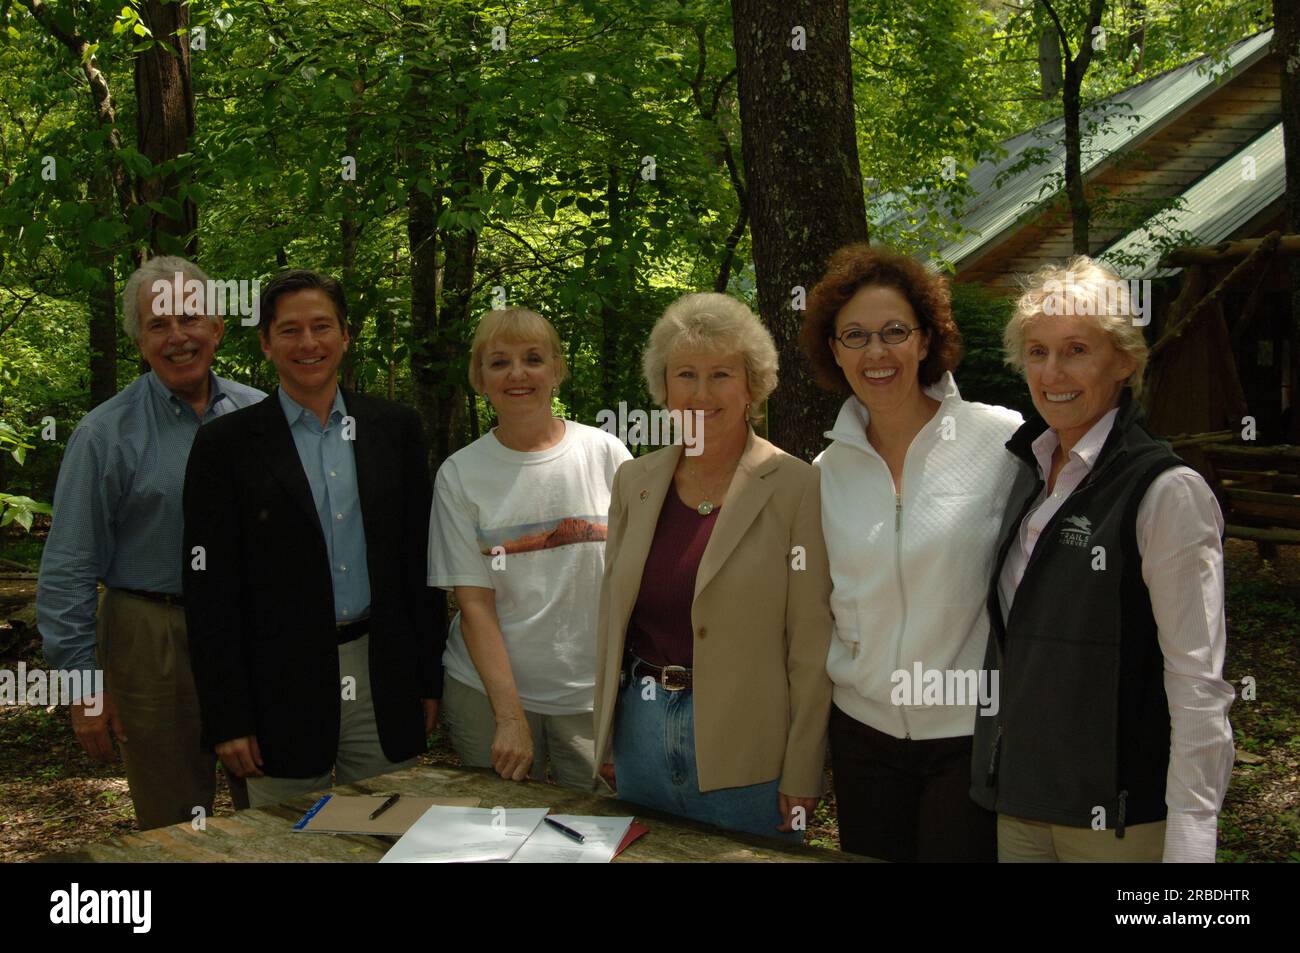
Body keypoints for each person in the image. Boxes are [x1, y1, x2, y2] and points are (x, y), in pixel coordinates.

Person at [970, 256, 1235, 863]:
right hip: (1023, 804)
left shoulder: (1165, 490)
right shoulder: (1029, 473)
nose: (1052, 372)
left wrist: (1192, 841)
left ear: (1124, 361)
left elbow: (1197, 681)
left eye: (1076, 350)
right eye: (1037, 352)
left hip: (1117, 821)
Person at [182, 269, 444, 807]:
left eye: (322, 327)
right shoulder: (226, 445)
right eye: (290, 330)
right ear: (266, 343)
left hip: (380, 673)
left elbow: (419, 565)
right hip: (276, 686)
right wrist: (228, 716)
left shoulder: (395, 429)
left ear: (345, 335)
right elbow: (210, 592)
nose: (308, 343)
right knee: (285, 840)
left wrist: (426, 679)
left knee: (384, 831)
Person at [801, 244, 1023, 862]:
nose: (876, 352)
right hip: (861, 735)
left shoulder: (1002, 441)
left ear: (926, 340)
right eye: (856, 336)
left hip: (967, 734)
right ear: (835, 351)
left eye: (895, 331)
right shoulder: (826, 470)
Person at [594, 292, 833, 841]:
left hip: (751, 753)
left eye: (721, 374)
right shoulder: (634, 481)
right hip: (641, 737)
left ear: (752, 385)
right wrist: (607, 736)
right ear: (664, 387)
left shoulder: (797, 486)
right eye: (686, 375)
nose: (702, 394)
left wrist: (803, 767)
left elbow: (811, 645)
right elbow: (612, 618)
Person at [36, 256, 265, 829]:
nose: (177, 336)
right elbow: (68, 566)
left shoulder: (263, 416)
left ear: (217, 327)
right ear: (140, 342)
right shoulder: (105, 433)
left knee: (274, 803)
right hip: (151, 635)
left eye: (189, 318)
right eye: (158, 324)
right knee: (173, 822)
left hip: (251, 629)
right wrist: (84, 686)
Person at [428, 308, 631, 790]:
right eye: (499, 362)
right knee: (504, 822)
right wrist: (509, 717)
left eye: (533, 359)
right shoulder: (460, 474)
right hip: (488, 695)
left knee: (597, 824)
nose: (517, 373)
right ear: (480, 378)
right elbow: (474, 605)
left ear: (557, 369)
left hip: (591, 696)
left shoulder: (606, 455)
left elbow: (637, 582)